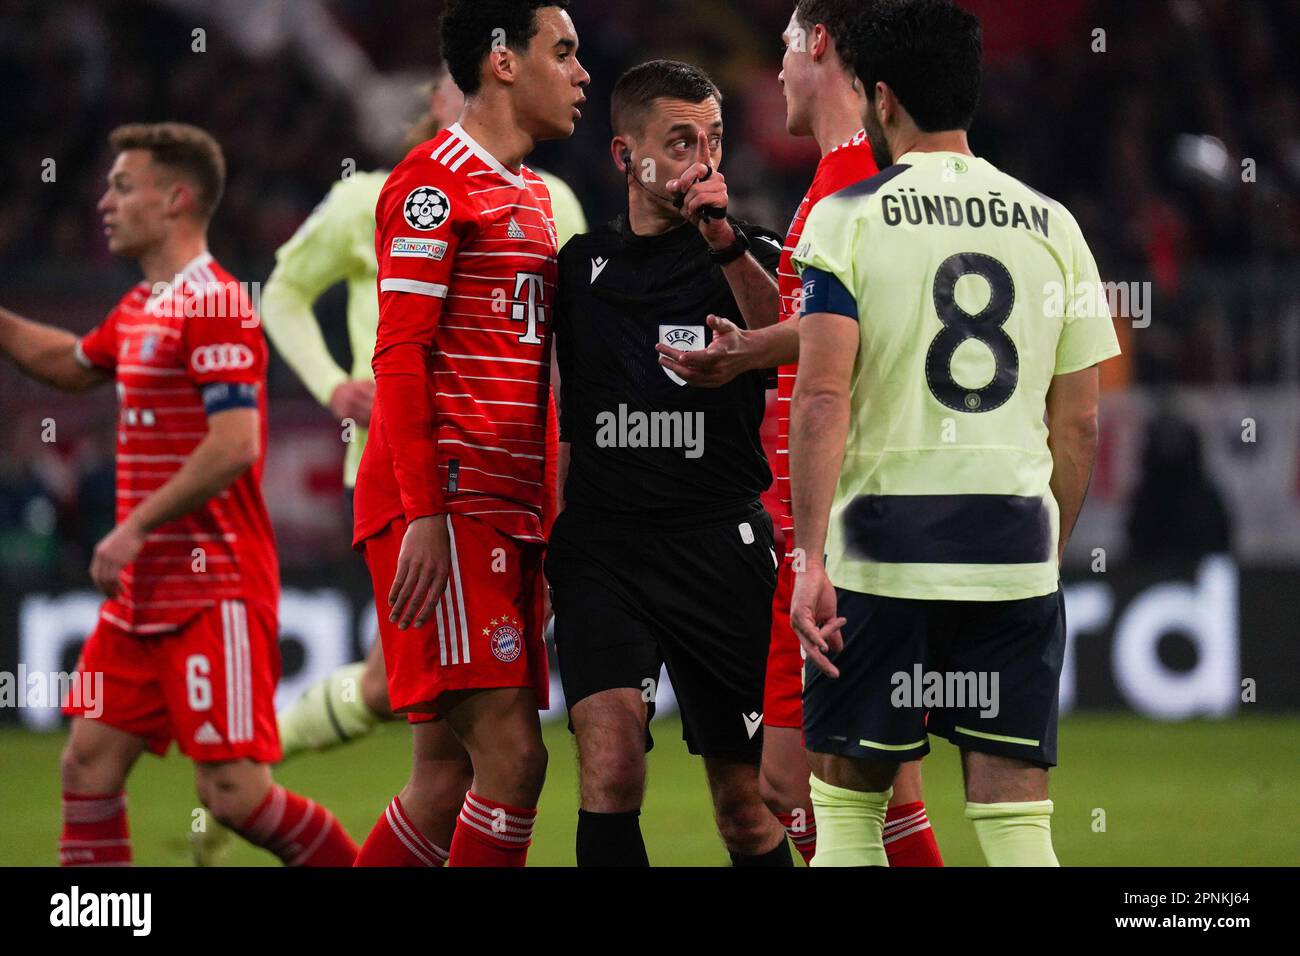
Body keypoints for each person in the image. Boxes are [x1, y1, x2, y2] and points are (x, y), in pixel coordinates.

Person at [788, 0, 1120, 866]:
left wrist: (809, 560)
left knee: (850, 812)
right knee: (1017, 825)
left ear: (883, 98)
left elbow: (821, 397)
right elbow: (1079, 421)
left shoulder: (846, 218)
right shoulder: (1058, 228)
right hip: (1011, 545)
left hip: (880, 550)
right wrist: (1045, 547)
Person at [0, 122, 358, 866]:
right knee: (86, 765)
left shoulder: (217, 303)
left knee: (234, 795)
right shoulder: (138, 310)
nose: (104, 202)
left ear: (175, 199)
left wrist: (133, 527)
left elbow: (236, 444)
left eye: (122, 186)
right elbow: (68, 363)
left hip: (212, 589)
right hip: (141, 600)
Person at [656, 0, 942, 867]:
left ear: (818, 44)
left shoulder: (850, 186)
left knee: (791, 783)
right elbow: (816, 323)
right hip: (863, 517)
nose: (777, 70)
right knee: (884, 784)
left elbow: (839, 347)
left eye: (784, 47)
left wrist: (744, 355)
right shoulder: (851, 178)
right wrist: (729, 258)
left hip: (832, 519)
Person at [265, 62, 587, 761]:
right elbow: (281, 294)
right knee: (482, 747)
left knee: (446, 748)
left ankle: (258, 758)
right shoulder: (378, 196)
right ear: (445, 98)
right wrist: (329, 385)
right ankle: (260, 754)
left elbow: (566, 349)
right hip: (418, 474)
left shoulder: (548, 196)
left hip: (519, 479)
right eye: (449, 84)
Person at [349, 0, 589, 868]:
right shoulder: (428, 183)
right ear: (503, 62)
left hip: (508, 511)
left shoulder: (531, 197)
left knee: (444, 778)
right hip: (449, 506)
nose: (582, 73)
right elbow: (400, 357)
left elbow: (540, 381)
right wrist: (423, 514)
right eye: (562, 52)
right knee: (516, 761)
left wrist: (550, 522)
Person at [549, 59, 791, 866]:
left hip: (717, 545)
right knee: (611, 771)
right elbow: (556, 422)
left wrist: (723, 240)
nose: (703, 160)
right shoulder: (578, 271)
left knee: (748, 812)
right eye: (681, 141)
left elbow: (787, 350)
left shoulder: (745, 251)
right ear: (625, 155)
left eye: (714, 140)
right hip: (604, 550)